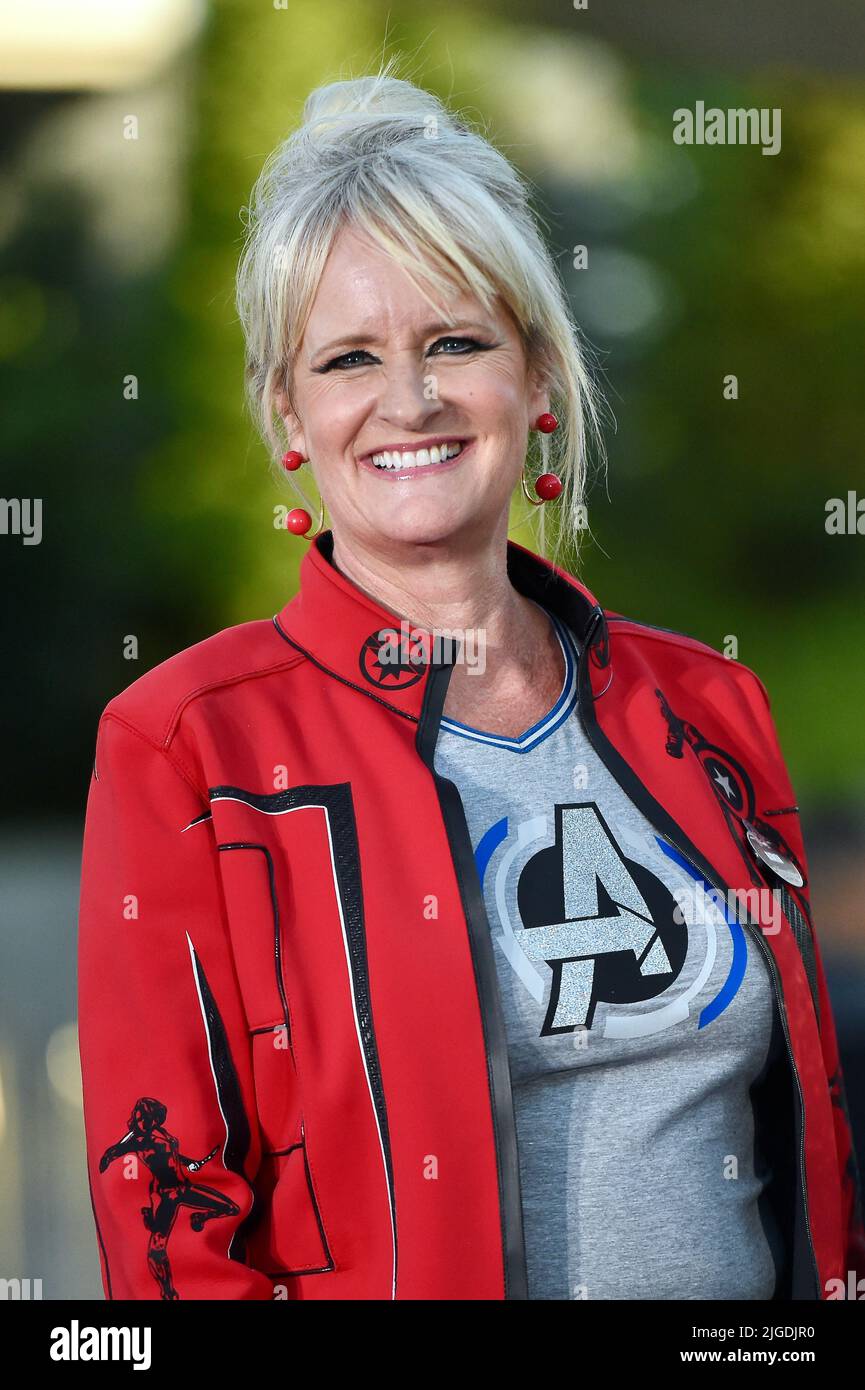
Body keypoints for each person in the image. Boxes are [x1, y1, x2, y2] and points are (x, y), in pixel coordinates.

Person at [77, 64, 864, 1301]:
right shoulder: (187, 741)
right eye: (347, 358)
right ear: (286, 413)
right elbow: (167, 1224)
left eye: (455, 340)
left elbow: (818, 1130)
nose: (411, 397)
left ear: (538, 380)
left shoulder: (708, 706)